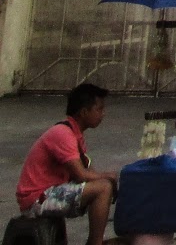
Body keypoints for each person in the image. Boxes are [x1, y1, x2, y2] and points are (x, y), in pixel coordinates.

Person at [15, 81, 117, 245]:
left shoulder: (75, 134)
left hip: (49, 192)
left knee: (103, 185)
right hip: (37, 198)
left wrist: (106, 178)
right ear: (84, 112)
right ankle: (95, 242)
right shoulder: (63, 134)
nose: (103, 114)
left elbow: (89, 171)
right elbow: (81, 174)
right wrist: (108, 177)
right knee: (103, 188)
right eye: (99, 109)